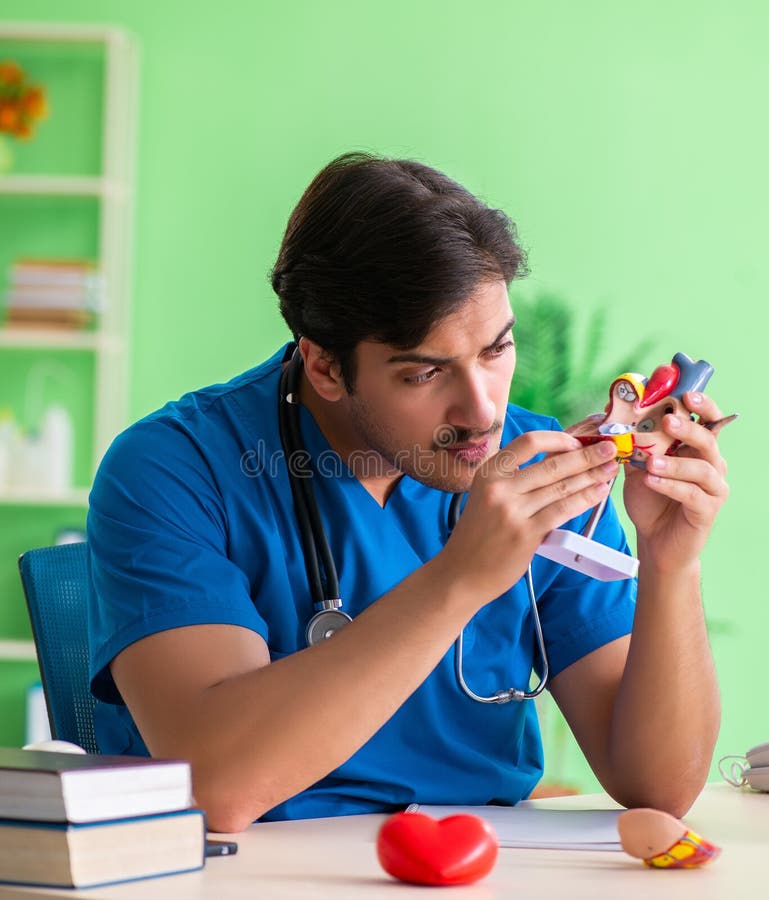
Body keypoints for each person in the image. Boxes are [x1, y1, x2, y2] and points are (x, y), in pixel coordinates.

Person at [87, 153, 728, 833]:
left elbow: (656, 785)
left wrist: (671, 562)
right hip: (257, 867)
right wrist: (462, 576)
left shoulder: (538, 471)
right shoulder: (176, 468)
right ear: (324, 365)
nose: (482, 411)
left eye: (495, 350)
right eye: (425, 374)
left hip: (484, 862)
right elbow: (217, 787)